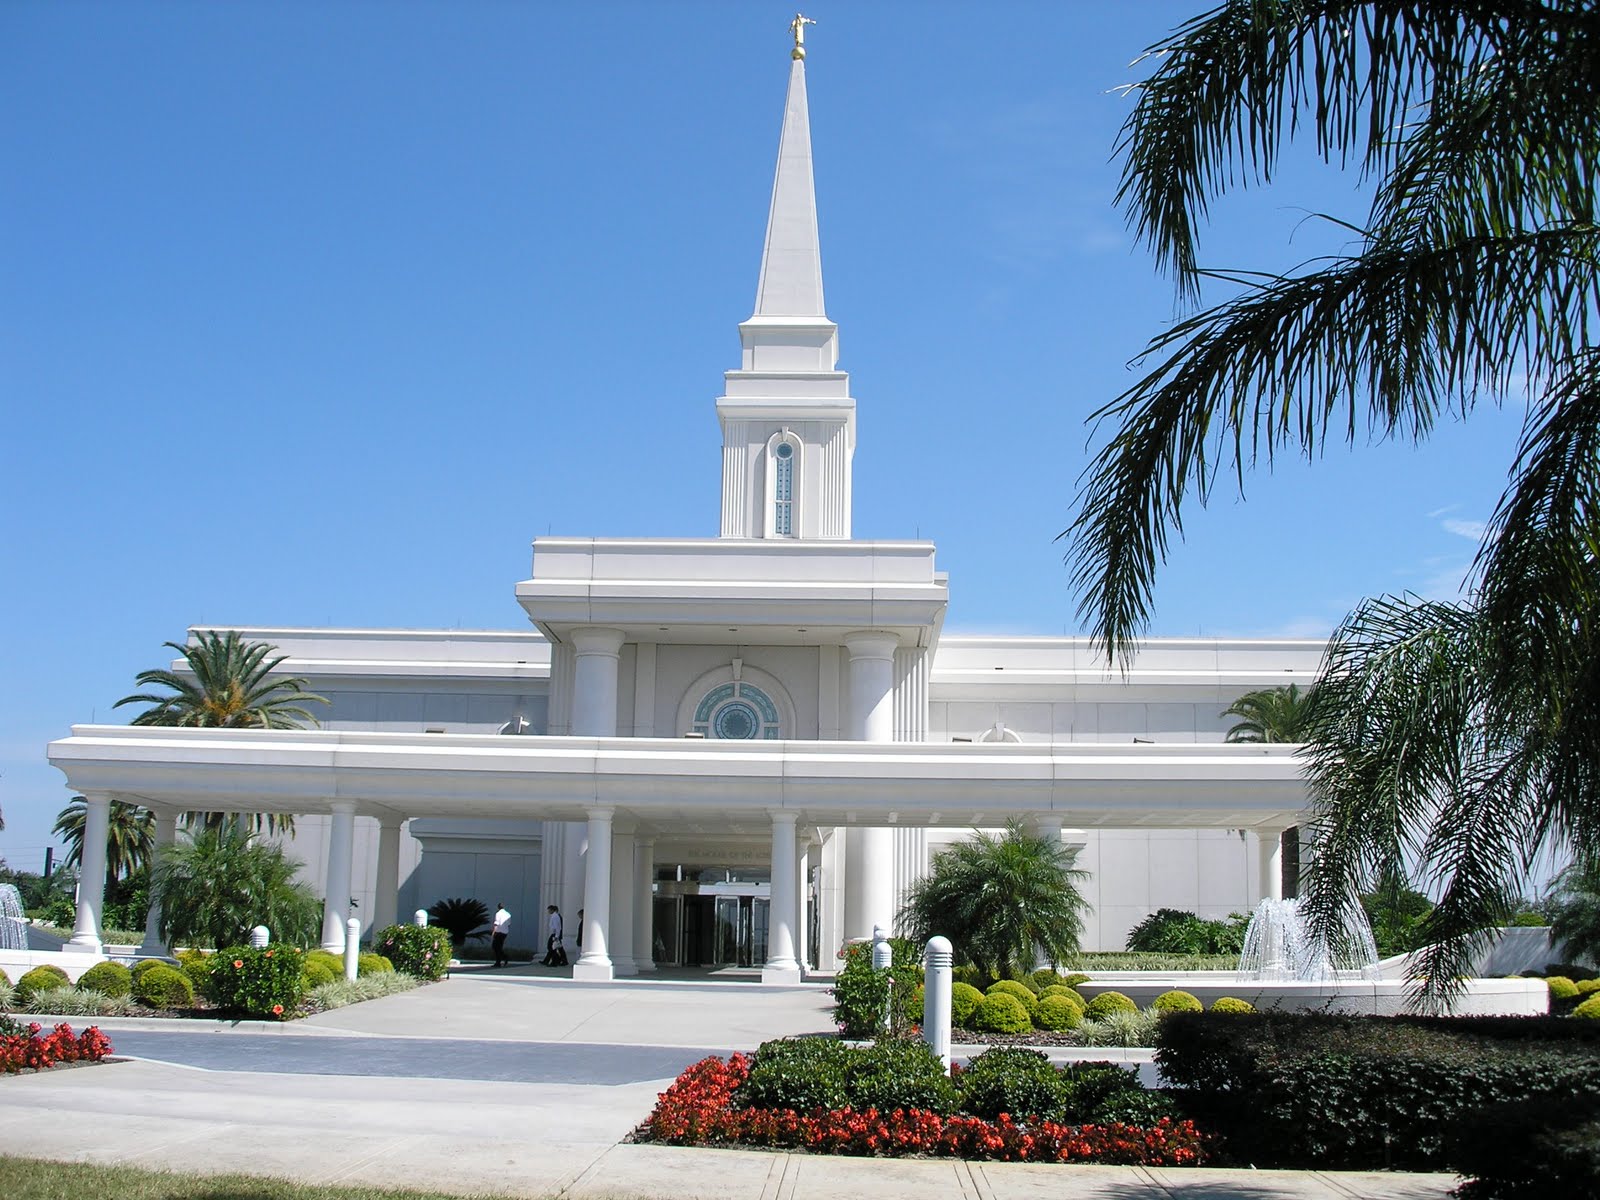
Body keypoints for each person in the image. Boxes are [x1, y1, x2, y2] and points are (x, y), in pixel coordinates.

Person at [490, 902, 511, 968]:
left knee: (495, 947)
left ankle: (500, 961)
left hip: (498, 932)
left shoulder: (498, 914)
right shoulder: (508, 914)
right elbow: (509, 924)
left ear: (498, 907)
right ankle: (503, 958)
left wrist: (493, 932)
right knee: (499, 947)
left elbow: (496, 923)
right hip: (505, 932)